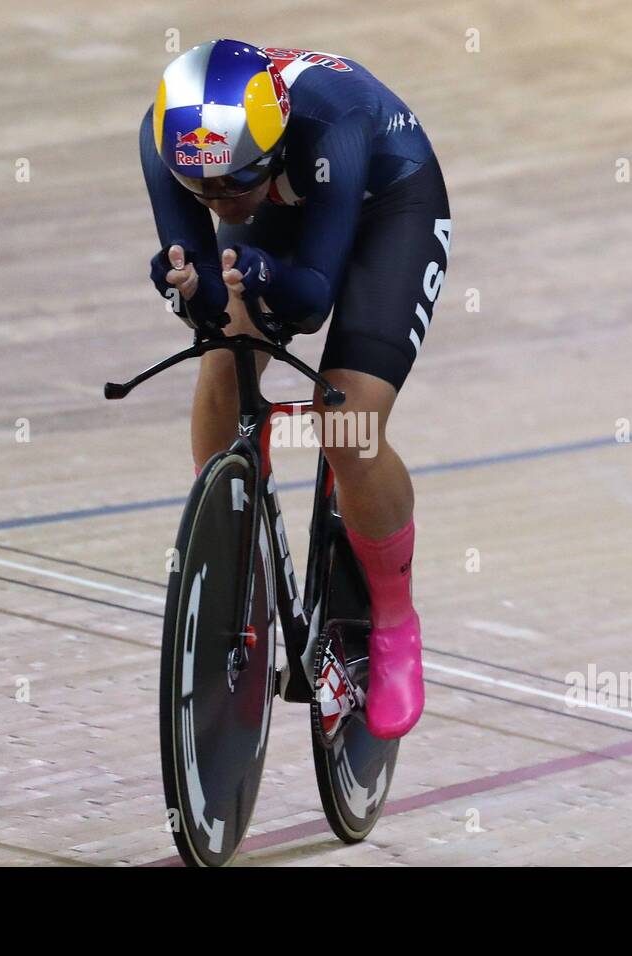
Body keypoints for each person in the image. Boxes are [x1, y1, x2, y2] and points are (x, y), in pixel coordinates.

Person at [139, 39, 451, 739]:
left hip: (389, 200)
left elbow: (310, 302)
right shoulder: (173, 141)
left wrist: (261, 272)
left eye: (232, 184)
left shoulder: (330, 127)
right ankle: (226, 535)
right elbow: (209, 300)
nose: (220, 204)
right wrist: (187, 286)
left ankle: (396, 620)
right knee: (226, 353)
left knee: (346, 417)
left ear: (271, 146)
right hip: (290, 195)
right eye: (203, 192)